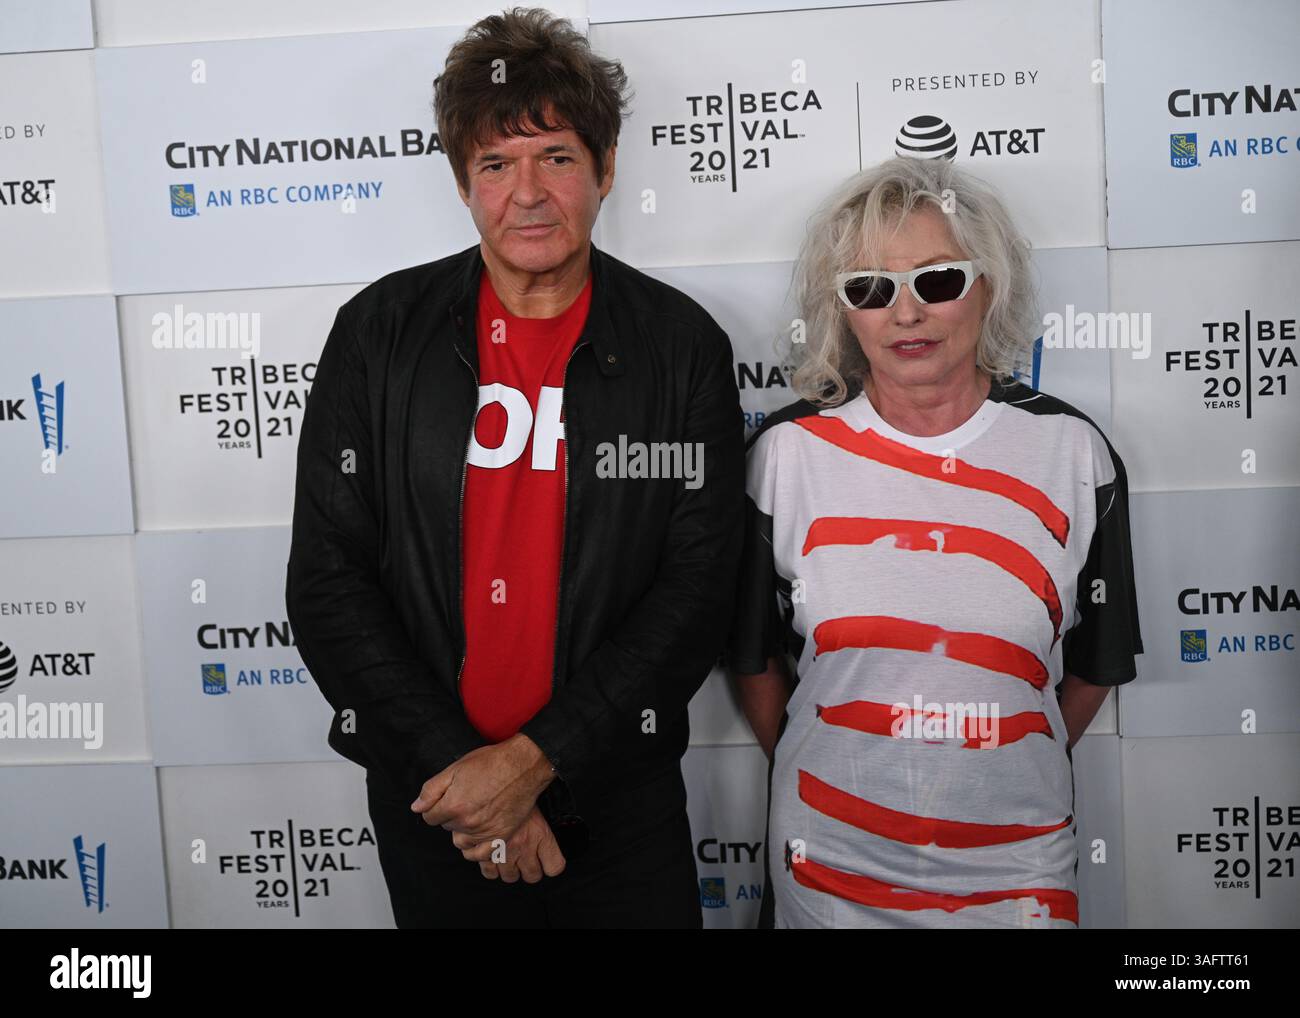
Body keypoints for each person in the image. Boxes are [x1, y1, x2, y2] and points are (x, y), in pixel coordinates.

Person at [285, 7, 744, 929]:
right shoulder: (378, 336)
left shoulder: (680, 346)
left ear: (607, 170)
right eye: (497, 164)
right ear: (464, 184)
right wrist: (469, 781)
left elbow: (695, 591)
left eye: (558, 158)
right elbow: (328, 582)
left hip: (617, 812)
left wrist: (534, 766)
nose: (527, 193)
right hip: (437, 807)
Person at [726, 156, 1143, 928]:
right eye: (870, 289)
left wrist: (993, 769)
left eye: (938, 280)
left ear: (991, 286)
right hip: (829, 866)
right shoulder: (786, 456)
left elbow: (1095, 665)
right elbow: (752, 659)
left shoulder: (1073, 455)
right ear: (844, 312)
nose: (905, 313)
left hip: (1020, 868)